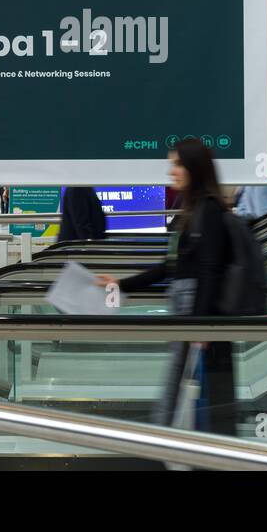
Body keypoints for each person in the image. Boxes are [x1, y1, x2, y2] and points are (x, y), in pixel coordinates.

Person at [95, 138, 236, 435]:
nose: (172, 171)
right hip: (186, 310)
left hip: (194, 313)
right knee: (177, 390)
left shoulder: (208, 211)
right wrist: (122, 284)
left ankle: (166, 446)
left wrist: (199, 326)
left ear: (195, 168)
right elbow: (171, 265)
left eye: (177, 164)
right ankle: (167, 444)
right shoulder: (190, 210)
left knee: (180, 392)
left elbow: (209, 271)